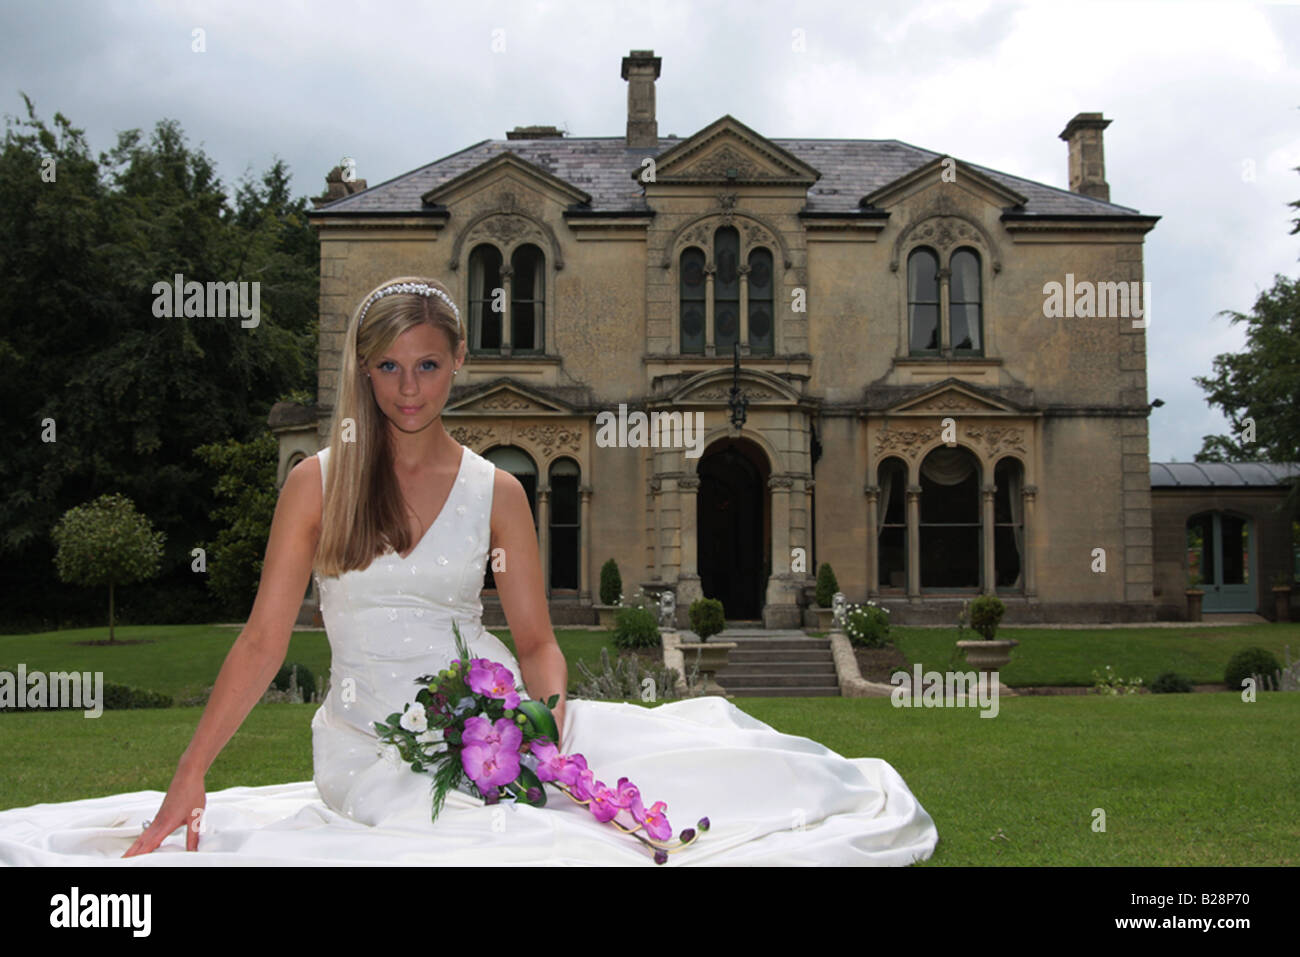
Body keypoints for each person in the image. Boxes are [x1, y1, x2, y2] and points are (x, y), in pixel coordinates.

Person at [1, 277, 938, 866]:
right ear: (363, 375)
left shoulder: (498, 490)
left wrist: (547, 723)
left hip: (496, 722)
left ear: (457, 366)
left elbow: (535, 641)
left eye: (428, 365)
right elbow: (260, 640)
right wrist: (189, 773)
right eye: (388, 368)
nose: (408, 388)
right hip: (371, 743)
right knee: (501, 848)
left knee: (702, 777)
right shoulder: (315, 485)